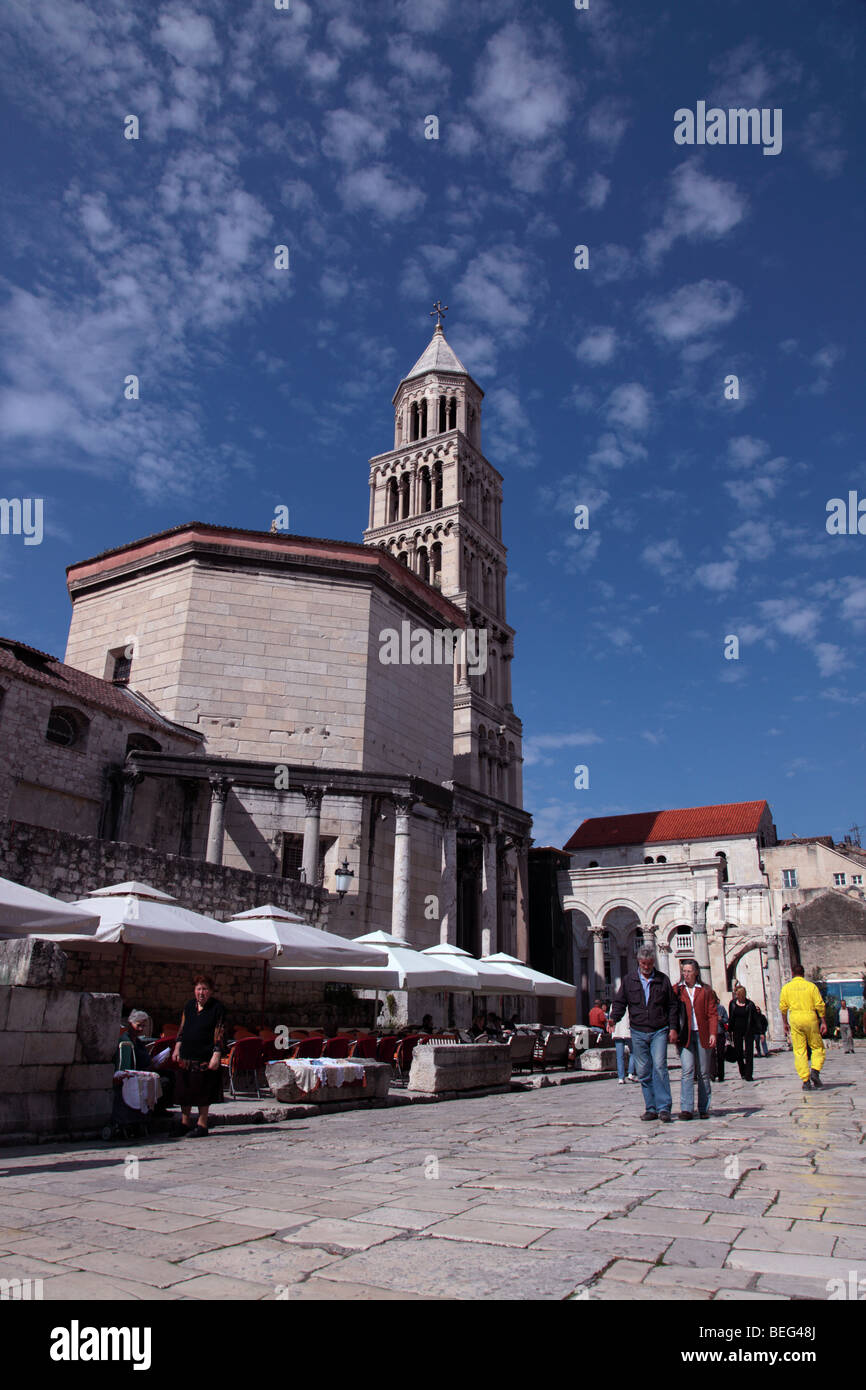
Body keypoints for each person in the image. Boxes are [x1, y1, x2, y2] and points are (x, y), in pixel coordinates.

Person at [609, 945, 678, 1122]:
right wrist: (613, 1019)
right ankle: (651, 1107)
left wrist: (673, 1028)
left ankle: (664, 1108)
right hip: (638, 1030)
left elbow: (672, 1005)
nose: (646, 967)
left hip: (659, 1029)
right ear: (638, 962)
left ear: (653, 962)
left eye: (649, 964)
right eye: (643, 963)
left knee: (660, 1067)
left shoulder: (662, 980)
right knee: (643, 1070)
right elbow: (620, 1002)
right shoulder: (629, 980)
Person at [171, 975, 227, 1136]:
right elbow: (182, 1029)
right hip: (186, 1054)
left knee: (203, 1090)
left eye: (204, 989)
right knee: (184, 1090)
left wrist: (216, 1054)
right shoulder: (189, 1006)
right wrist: (177, 1048)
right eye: (198, 989)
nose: (201, 992)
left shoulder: (217, 1008)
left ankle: (202, 1124)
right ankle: (185, 1122)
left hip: (205, 1055)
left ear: (210, 991)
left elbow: (220, 1032)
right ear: (194, 990)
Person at [674, 960, 717, 1120]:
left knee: (703, 1073)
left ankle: (704, 1107)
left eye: (688, 971)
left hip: (702, 1033)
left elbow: (712, 1013)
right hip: (685, 1035)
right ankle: (686, 1108)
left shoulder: (705, 991)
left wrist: (713, 1033)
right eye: (684, 971)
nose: (686, 974)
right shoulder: (678, 990)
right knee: (687, 1070)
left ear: (696, 972)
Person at [779, 963, 827, 1090]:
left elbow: (783, 1008)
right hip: (810, 1016)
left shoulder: (787, 988)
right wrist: (823, 1021)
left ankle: (805, 1080)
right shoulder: (811, 987)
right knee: (817, 1046)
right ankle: (815, 1071)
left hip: (795, 1018)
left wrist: (785, 1023)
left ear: (793, 974)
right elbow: (819, 1005)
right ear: (803, 974)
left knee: (800, 1050)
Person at [728, 985, 759, 1081]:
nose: (736, 995)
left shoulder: (750, 1004)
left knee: (749, 1053)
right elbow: (731, 1018)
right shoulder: (732, 1004)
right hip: (737, 1030)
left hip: (748, 1030)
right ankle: (743, 1071)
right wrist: (729, 1031)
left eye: (737, 993)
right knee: (738, 1053)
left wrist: (759, 1032)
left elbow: (755, 1019)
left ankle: (749, 1074)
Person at [610, 1007, 637, 1084]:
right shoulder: (628, 1003)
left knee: (619, 1056)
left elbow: (611, 1018)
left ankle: (621, 1078)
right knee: (634, 1052)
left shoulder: (613, 1004)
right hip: (627, 1031)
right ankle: (631, 1073)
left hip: (617, 1031)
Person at [714, 995, 728, 1082]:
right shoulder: (706, 1007)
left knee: (720, 1055)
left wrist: (721, 1019)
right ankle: (712, 1074)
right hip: (709, 1034)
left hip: (720, 1033)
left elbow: (726, 1019)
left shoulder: (721, 1008)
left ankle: (721, 1075)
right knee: (711, 1056)